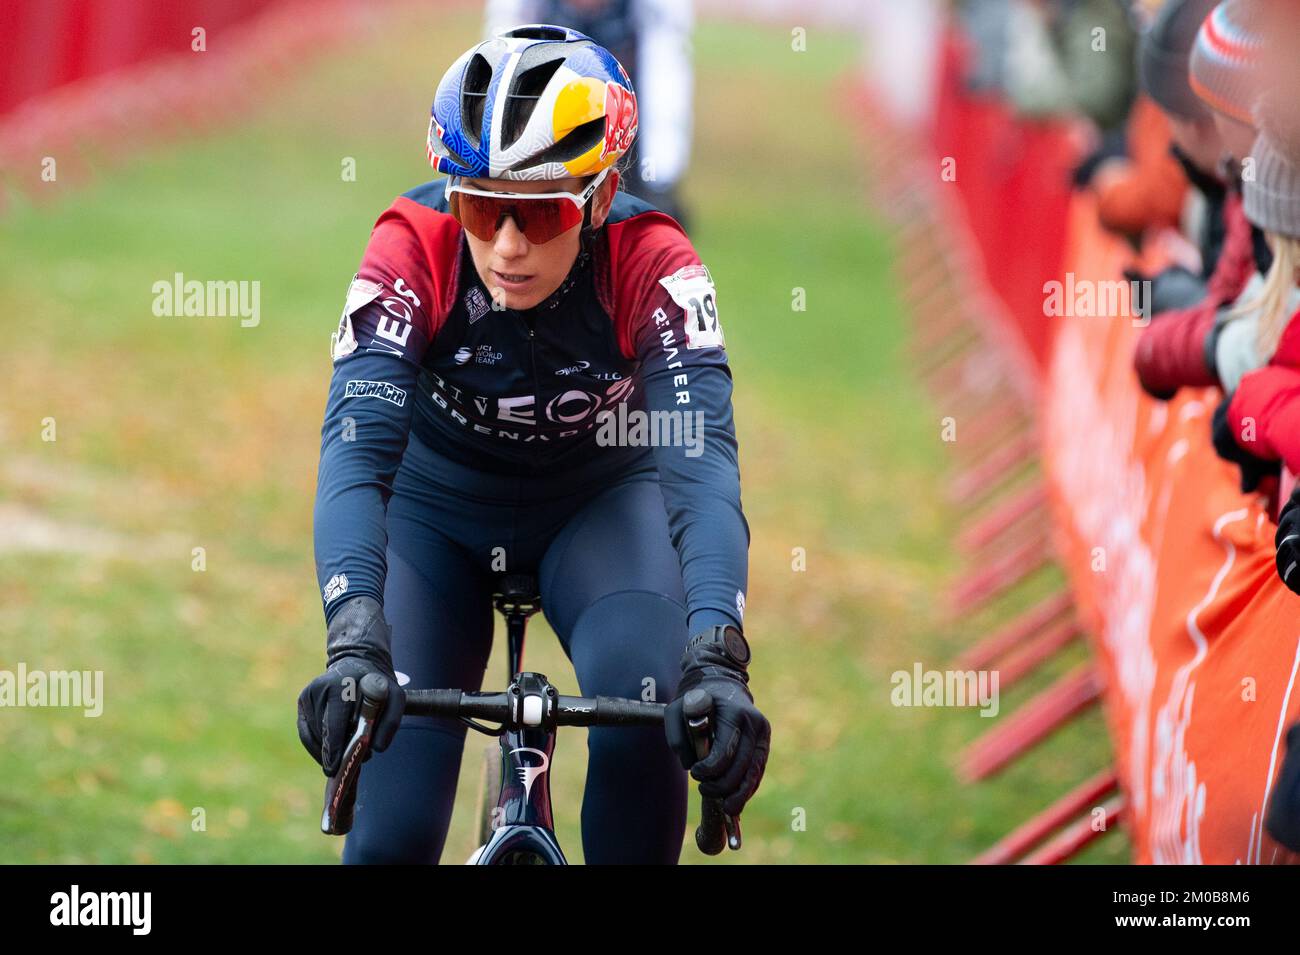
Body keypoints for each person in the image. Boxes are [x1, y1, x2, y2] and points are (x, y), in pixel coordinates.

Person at [295, 24, 770, 864]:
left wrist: (718, 655)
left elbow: (702, 474)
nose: (507, 244)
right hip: (432, 516)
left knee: (648, 713)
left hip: (599, 509)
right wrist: (355, 634)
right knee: (392, 836)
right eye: (480, 205)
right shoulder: (412, 247)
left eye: (541, 210)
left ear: (599, 193)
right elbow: (355, 457)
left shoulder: (653, 262)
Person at [483, 0, 694, 226]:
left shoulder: (650, 16)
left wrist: (659, 176)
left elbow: (664, 78)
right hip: (545, 117)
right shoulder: (526, 11)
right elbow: (506, 47)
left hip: (625, 116)